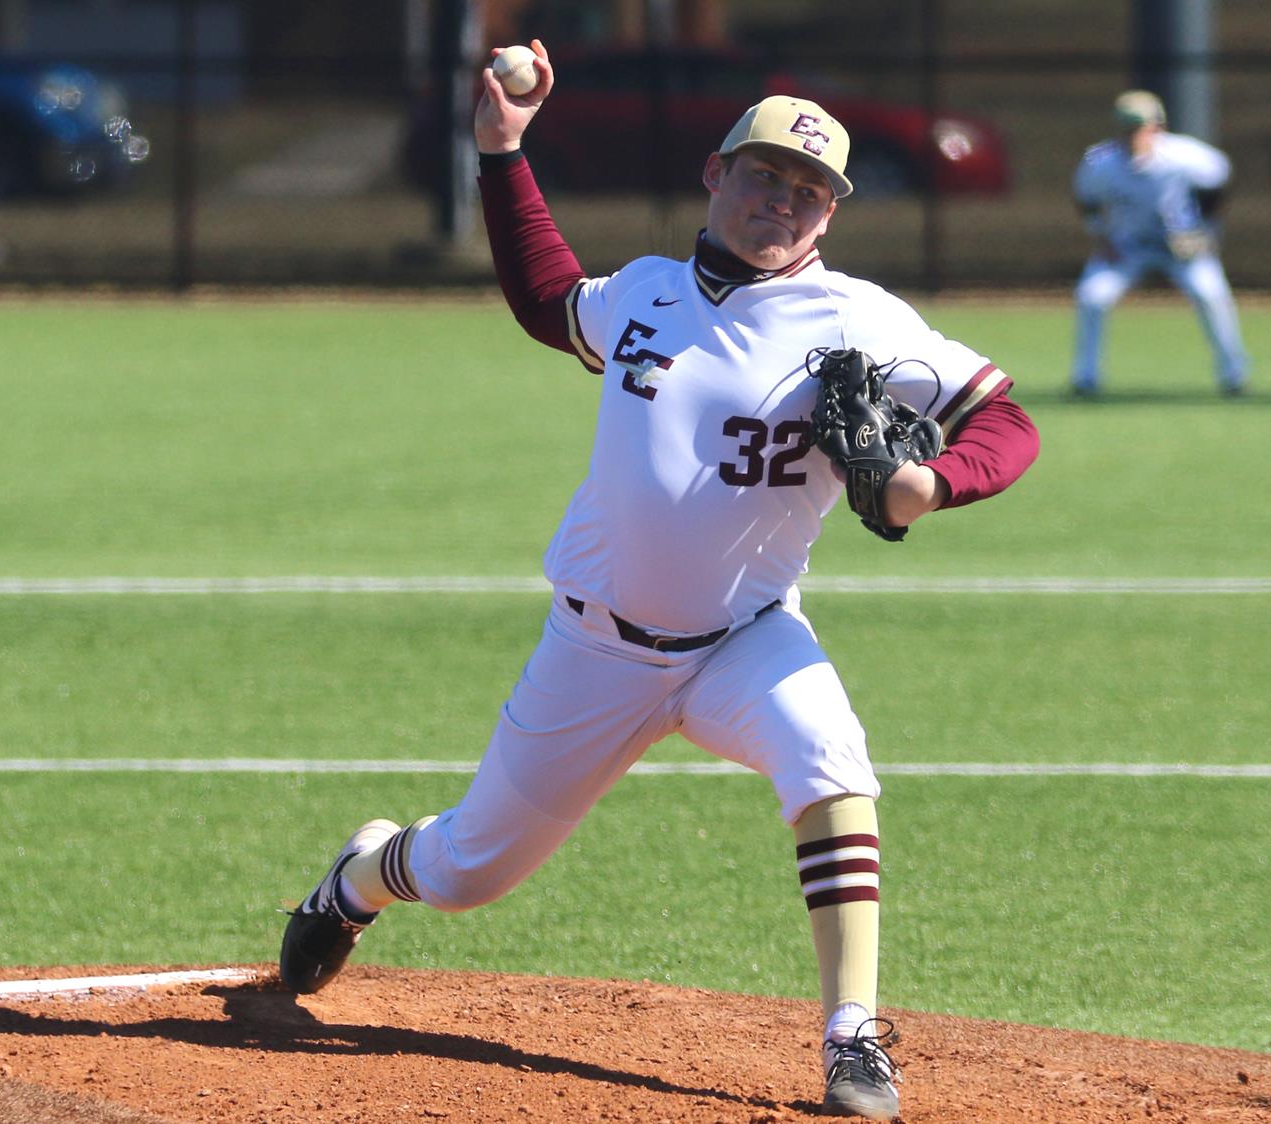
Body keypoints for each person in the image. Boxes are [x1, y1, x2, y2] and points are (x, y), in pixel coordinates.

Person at [278, 39, 1039, 1120]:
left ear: (829, 216)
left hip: (745, 635)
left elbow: (1007, 421)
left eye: (809, 191)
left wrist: (929, 480)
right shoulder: (643, 294)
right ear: (716, 176)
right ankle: (358, 874)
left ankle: (851, 1036)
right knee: (466, 871)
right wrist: (502, 151)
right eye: (766, 175)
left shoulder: (859, 319)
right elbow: (549, 299)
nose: (783, 201)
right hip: (594, 646)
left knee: (830, 761)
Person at [1069, 89, 1250, 397]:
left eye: (1141, 127)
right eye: (1128, 128)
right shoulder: (1101, 161)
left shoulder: (1185, 155)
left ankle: (1234, 375)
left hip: (1180, 246)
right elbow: (1085, 200)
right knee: (1092, 296)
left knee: (1211, 293)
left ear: (1158, 127)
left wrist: (1207, 231)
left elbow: (1221, 181)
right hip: (1127, 245)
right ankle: (1085, 378)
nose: (1134, 135)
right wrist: (1101, 238)